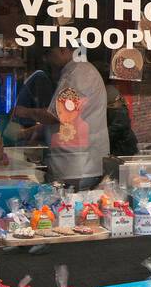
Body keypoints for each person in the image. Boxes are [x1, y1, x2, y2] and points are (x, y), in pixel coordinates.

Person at [46, 50, 109, 190]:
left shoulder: (79, 74)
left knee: (71, 207)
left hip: (77, 166)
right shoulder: (77, 71)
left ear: (62, 50)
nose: (46, 59)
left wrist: (25, 112)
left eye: (49, 53)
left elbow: (59, 114)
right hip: (77, 163)